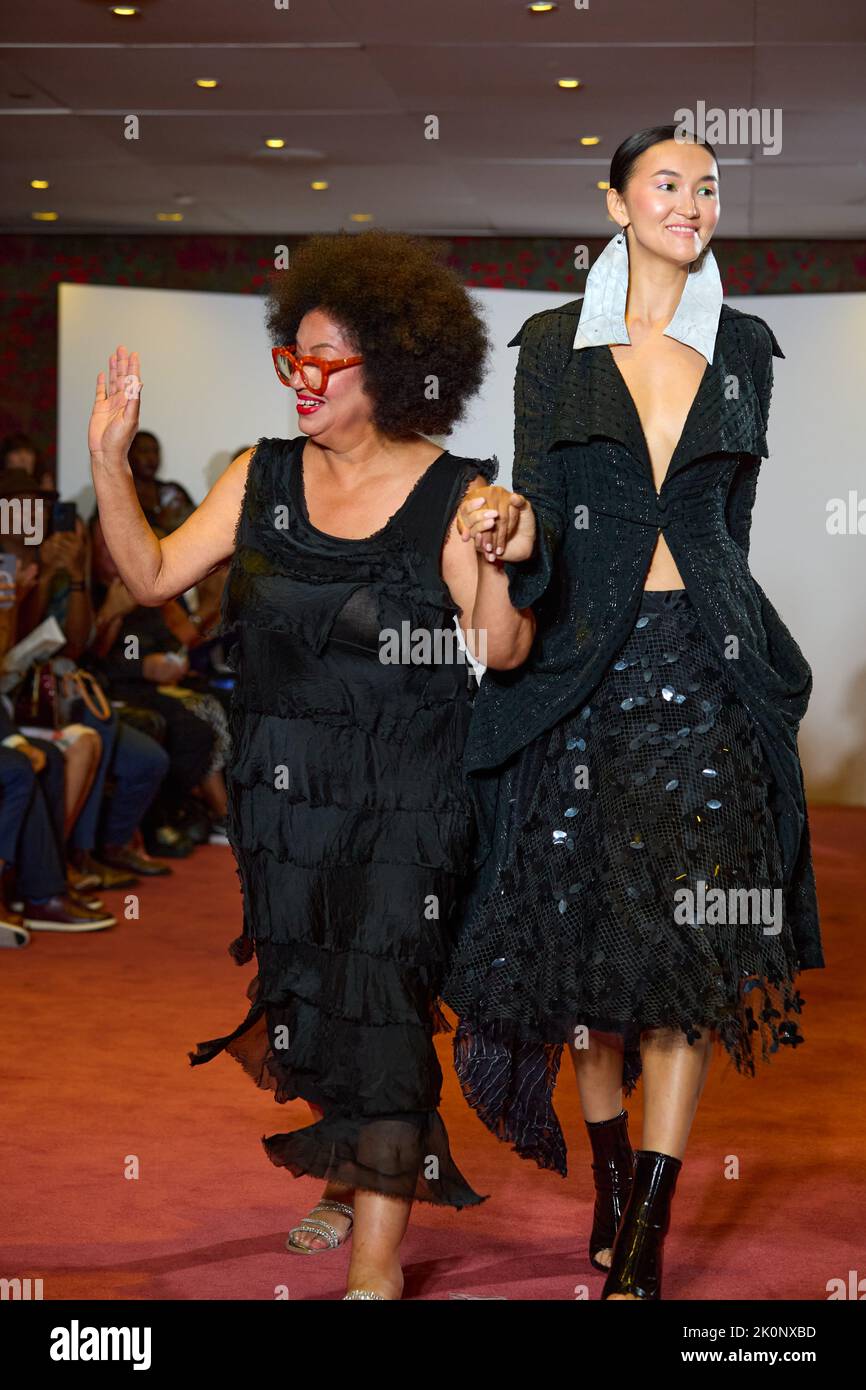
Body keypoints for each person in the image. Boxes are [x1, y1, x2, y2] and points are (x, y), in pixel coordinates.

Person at [87, 230, 536, 1301]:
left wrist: (490, 556)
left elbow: (501, 650)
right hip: (283, 805)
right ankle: (351, 1167)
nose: (299, 377)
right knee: (319, 1001)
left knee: (382, 1002)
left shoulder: (452, 493)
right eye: (291, 357)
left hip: (406, 805)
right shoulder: (262, 476)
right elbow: (148, 576)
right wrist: (109, 456)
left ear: (385, 367)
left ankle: (376, 1264)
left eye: (322, 361)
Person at [444, 125, 824, 1301]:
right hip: (582, 677)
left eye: (707, 186)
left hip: (705, 674)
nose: (691, 201)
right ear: (613, 200)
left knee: (685, 959)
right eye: (666, 182)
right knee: (588, 972)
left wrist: (736, 635)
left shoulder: (746, 347)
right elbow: (539, 511)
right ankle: (610, 1176)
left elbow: (733, 525)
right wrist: (506, 533)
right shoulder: (554, 346)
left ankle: (645, 1238)